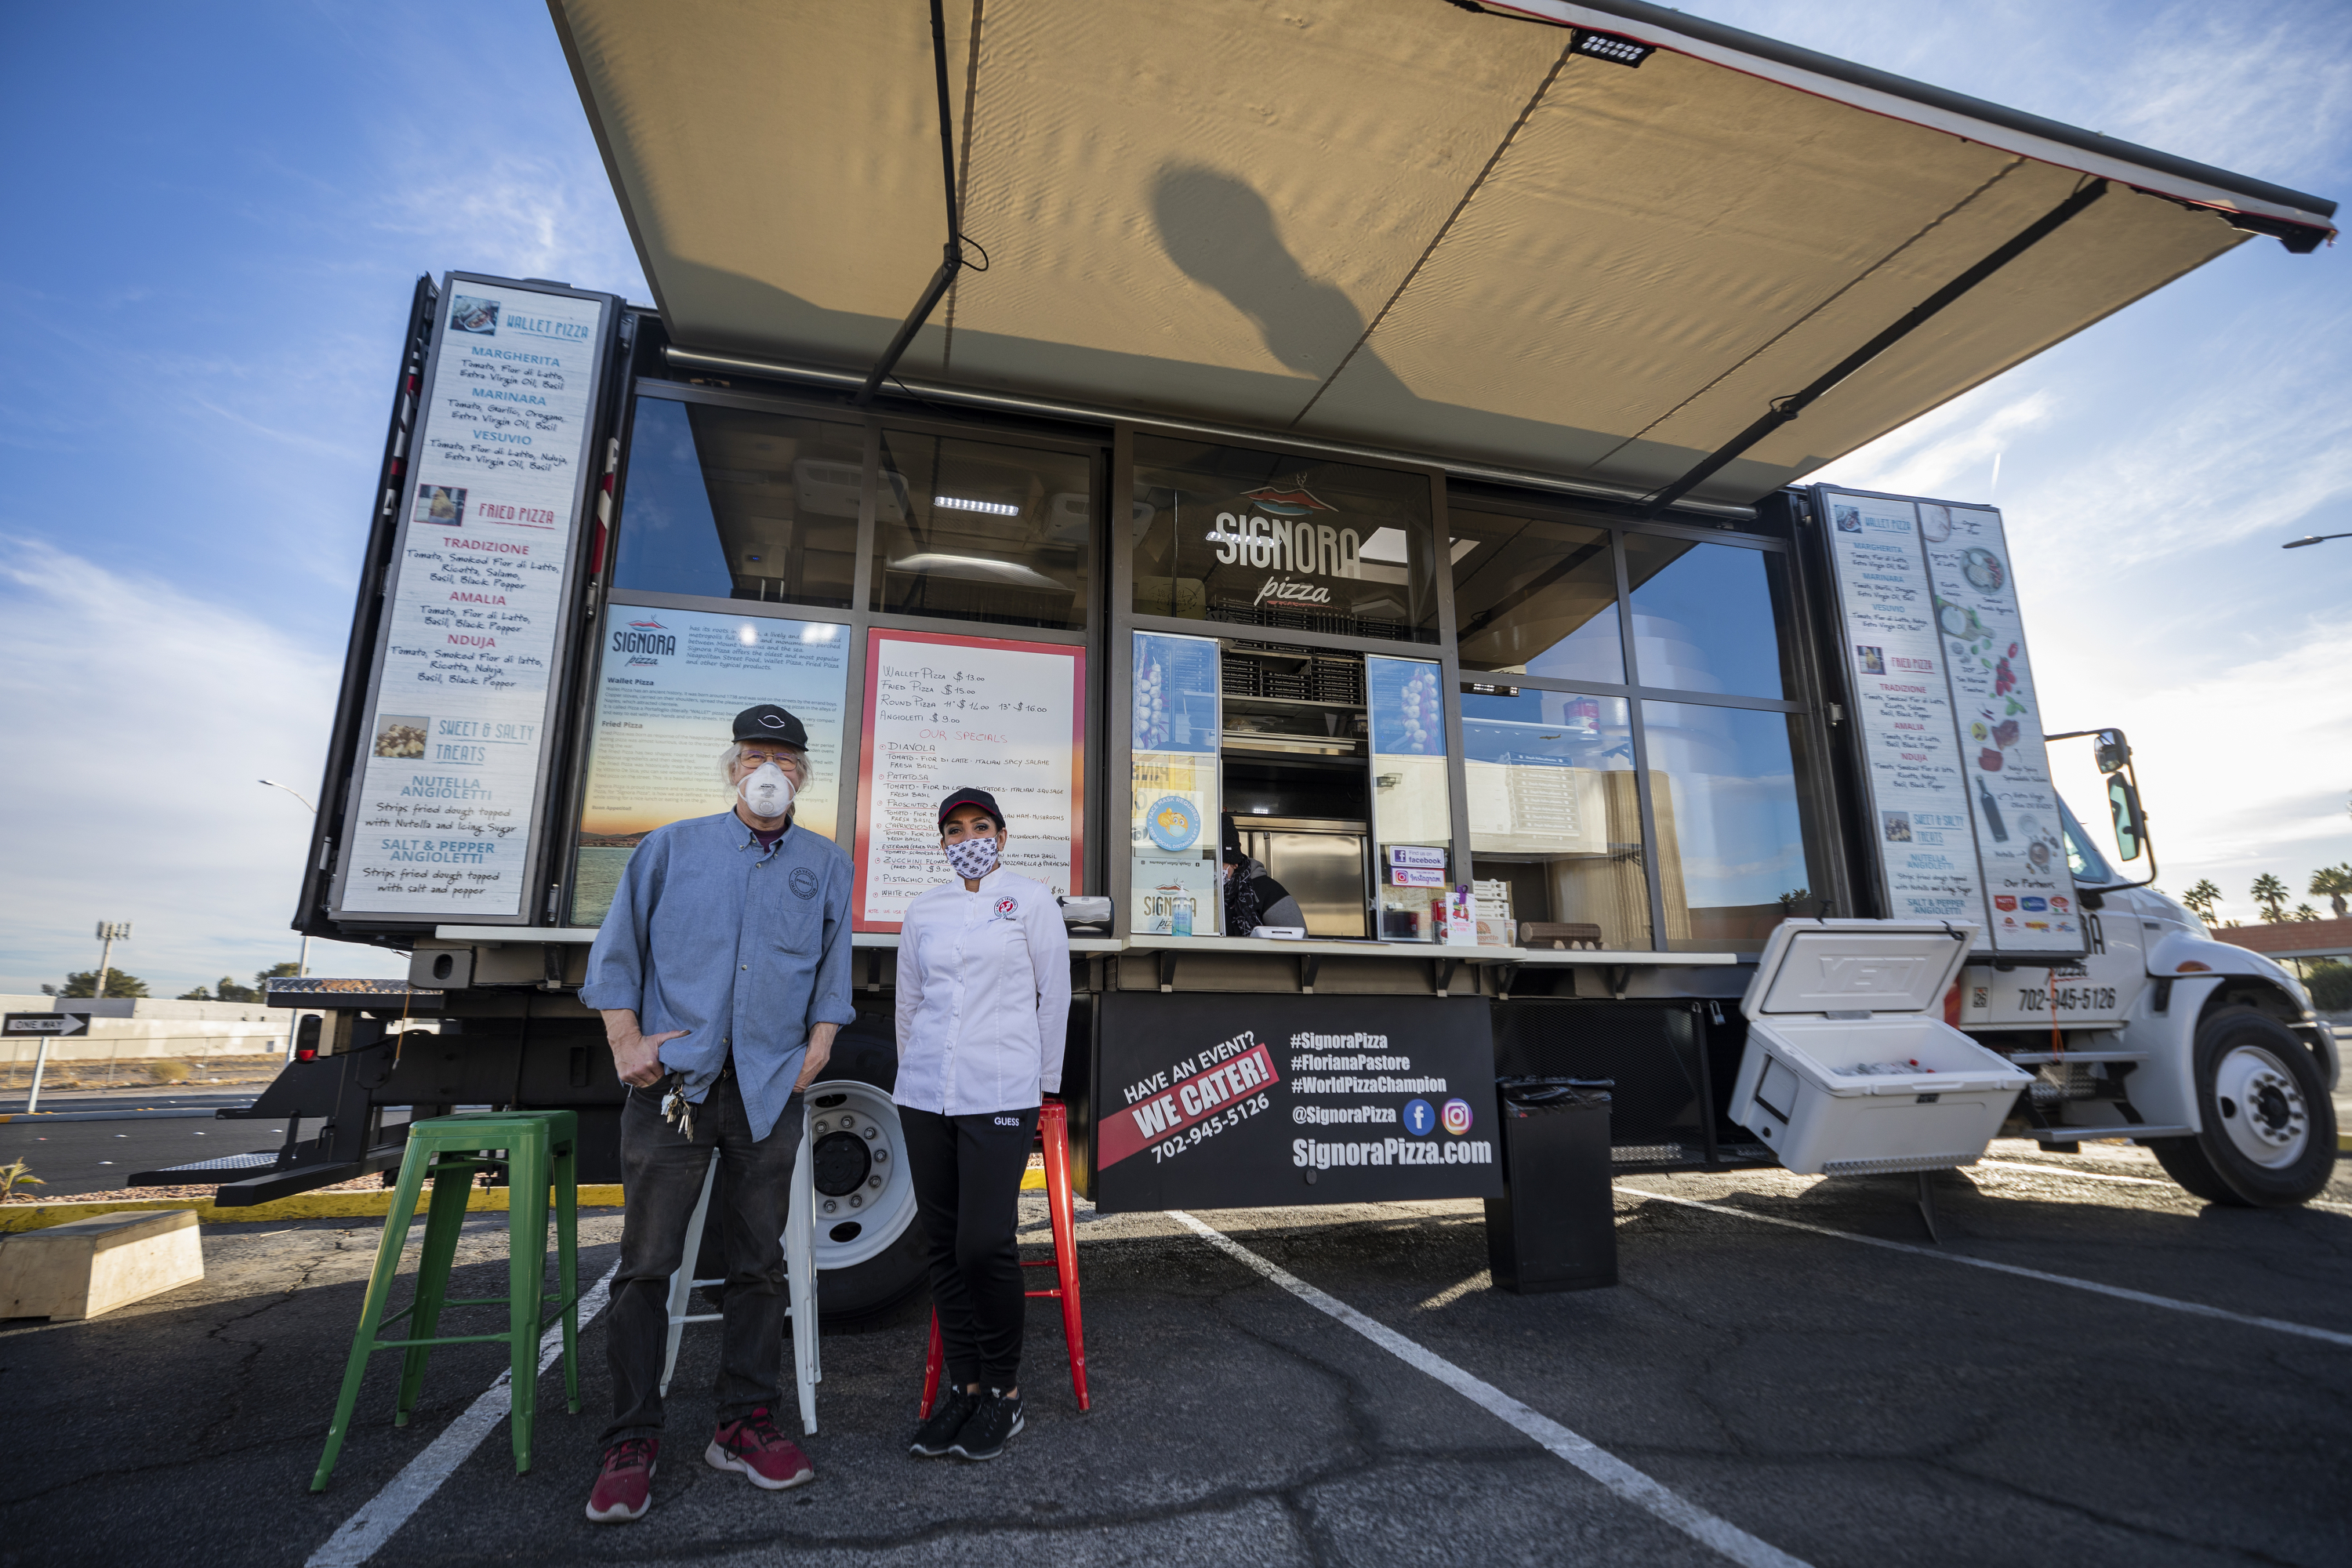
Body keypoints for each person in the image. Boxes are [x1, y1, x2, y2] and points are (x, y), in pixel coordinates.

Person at [577, 703, 857, 1523]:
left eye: (786, 759)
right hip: (675, 1087)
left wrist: (821, 1044)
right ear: (733, 767)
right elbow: (617, 951)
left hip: (770, 1087)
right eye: (756, 756)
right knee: (646, 1263)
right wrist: (625, 1040)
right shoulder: (670, 847)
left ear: (803, 774)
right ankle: (631, 1437)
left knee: (759, 1263)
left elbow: (834, 968)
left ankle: (742, 1423)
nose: (770, 771)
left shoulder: (825, 864)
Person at [895, 786, 1071, 1461]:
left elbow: (1054, 994)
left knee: (983, 1243)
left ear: (1000, 835)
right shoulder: (925, 910)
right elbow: (910, 1002)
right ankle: (965, 1390)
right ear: (942, 841)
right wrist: (912, 1078)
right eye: (955, 829)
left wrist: (1045, 1084)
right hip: (925, 1094)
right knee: (942, 1246)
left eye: (980, 826)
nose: (968, 838)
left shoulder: (1030, 900)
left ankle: (1004, 1391)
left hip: (1000, 1087)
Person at [1221, 832, 1306, 936]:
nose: (1212, 870)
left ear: (1234, 864)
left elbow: (1297, 938)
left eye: (1218, 864)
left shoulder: (1267, 891)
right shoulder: (1205, 892)